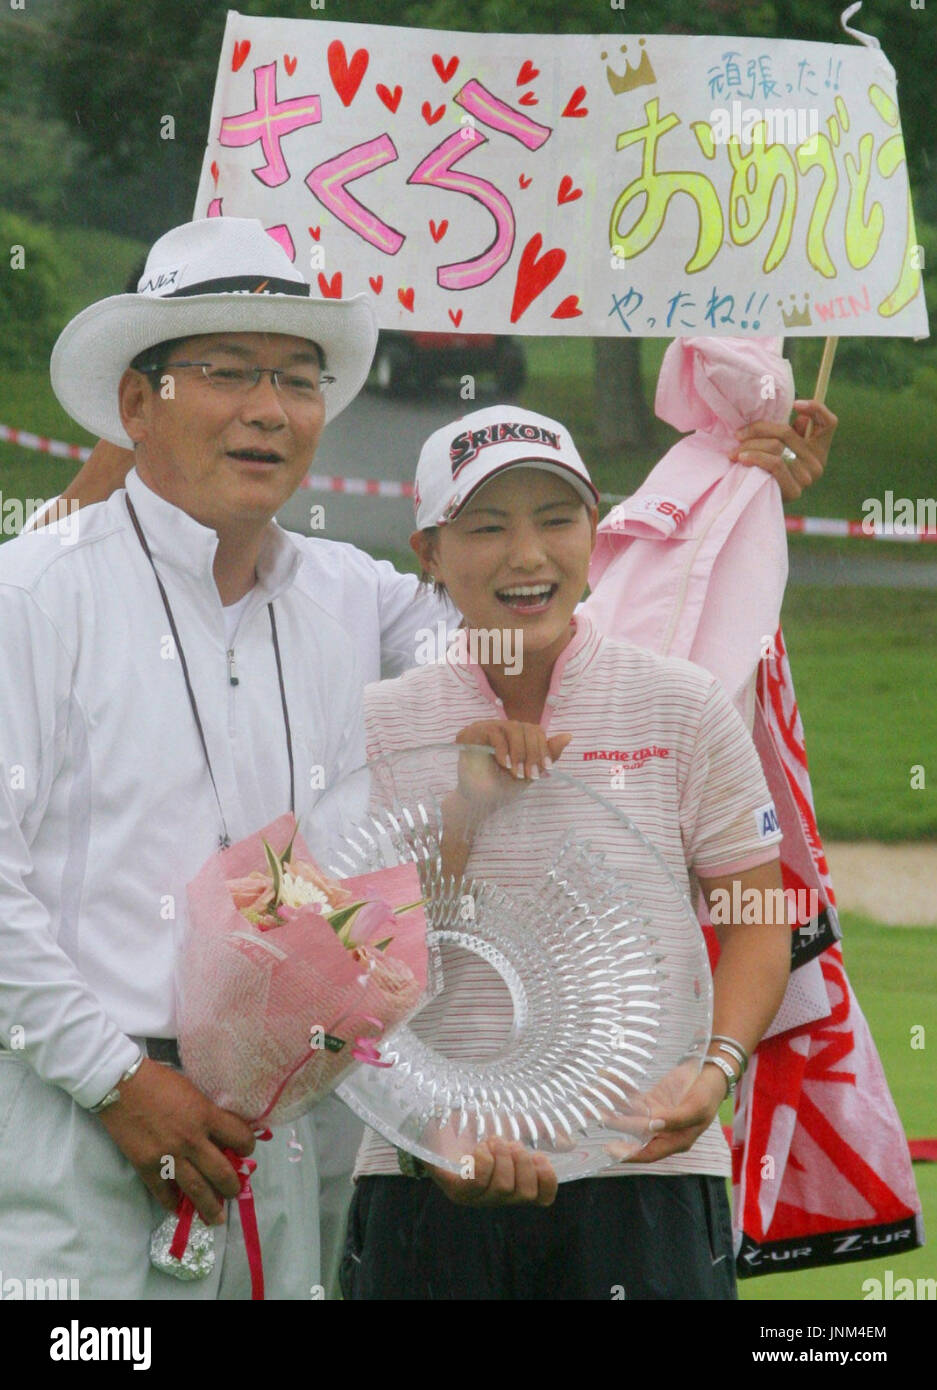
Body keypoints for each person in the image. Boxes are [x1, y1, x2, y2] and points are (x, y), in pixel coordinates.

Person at [0, 215, 386, 1299]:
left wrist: (727, 495)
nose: (269, 408)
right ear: (137, 402)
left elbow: (524, 612)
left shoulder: (341, 602)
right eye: (225, 371)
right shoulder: (33, 595)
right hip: (75, 1135)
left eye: (298, 378)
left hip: (276, 1145)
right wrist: (119, 1079)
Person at [340, 404, 794, 1301]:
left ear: (595, 532)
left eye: (556, 519)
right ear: (427, 551)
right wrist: (462, 817)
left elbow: (756, 918)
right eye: (486, 527)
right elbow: (350, 970)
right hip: (424, 1171)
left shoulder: (683, 704)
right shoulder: (378, 722)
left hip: (647, 1166)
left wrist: (715, 1073)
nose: (527, 555)